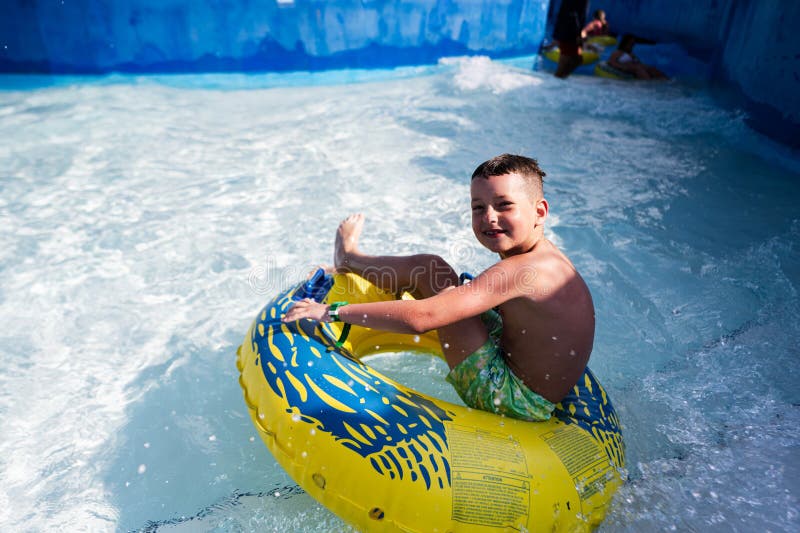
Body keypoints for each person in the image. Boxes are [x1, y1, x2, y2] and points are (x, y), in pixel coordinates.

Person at [282, 154, 596, 422]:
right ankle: (349, 261)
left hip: (512, 399)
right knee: (441, 279)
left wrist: (331, 310)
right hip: (532, 383)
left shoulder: (524, 270)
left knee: (430, 271)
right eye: (478, 207)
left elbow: (422, 317)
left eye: (504, 205)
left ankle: (349, 258)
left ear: (539, 211)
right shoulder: (545, 259)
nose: (489, 217)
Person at [552, 0, 589, 79]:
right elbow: (572, 13)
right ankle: (558, 77)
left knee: (575, 59)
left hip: (570, 29)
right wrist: (578, 32)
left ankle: (559, 78)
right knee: (572, 58)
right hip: (570, 30)